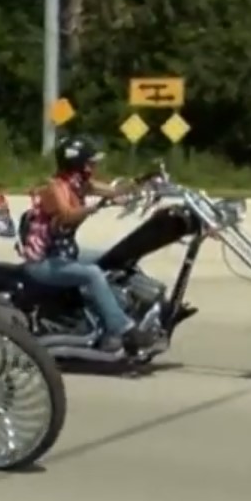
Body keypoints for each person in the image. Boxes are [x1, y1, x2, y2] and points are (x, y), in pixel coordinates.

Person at [19, 135, 154, 353]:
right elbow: (66, 216)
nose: (94, 166)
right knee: (92, 273)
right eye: (90, 163)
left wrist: (143, 180)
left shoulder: (80, 185)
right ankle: (122, 329)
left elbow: (115, 191)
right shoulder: (54, 189)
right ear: (77, 164)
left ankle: (120, 312)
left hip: (66, 255)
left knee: (115, 258)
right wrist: (95, 207)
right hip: (44, 262)